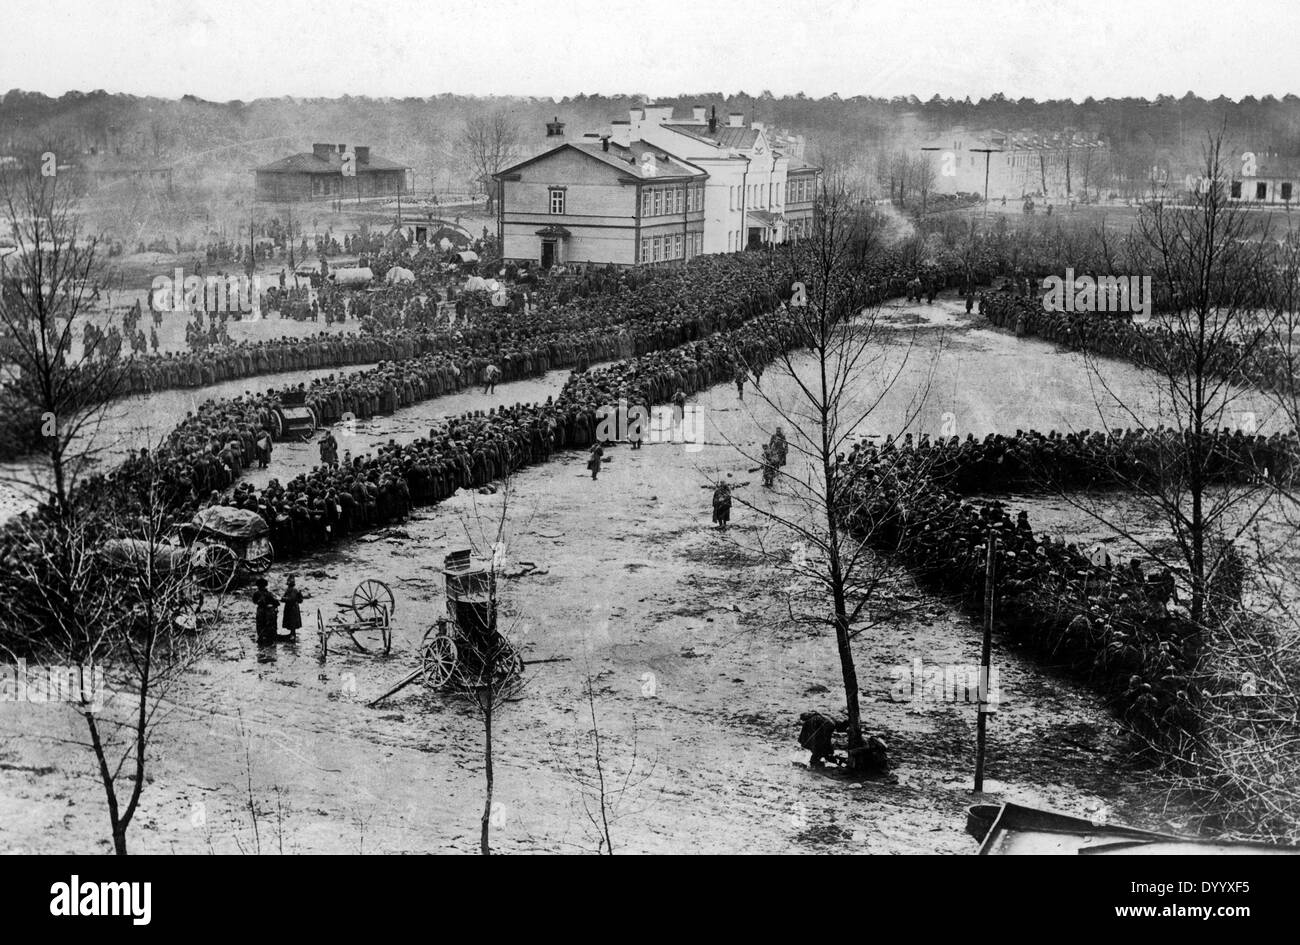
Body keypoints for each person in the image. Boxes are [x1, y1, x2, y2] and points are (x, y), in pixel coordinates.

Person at [252, 578, 279, 645]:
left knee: (260, 625)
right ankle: (270, 639)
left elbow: (254, 601)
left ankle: (261, 638)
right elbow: (276, 602)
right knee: (269, 625)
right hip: (268, 612)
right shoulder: (269, 593)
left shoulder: (256, 594)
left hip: (260, 611)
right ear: (265, 586)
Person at [280, 575, 304, 640]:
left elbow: (291, 599)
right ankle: (291, 633)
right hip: (289, 607)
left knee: (292, 621)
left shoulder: (294, 590)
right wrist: (282, 598)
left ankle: (293, 634)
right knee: (290, 621)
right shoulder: (288, 589)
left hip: (293, 608)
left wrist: (282, 598)